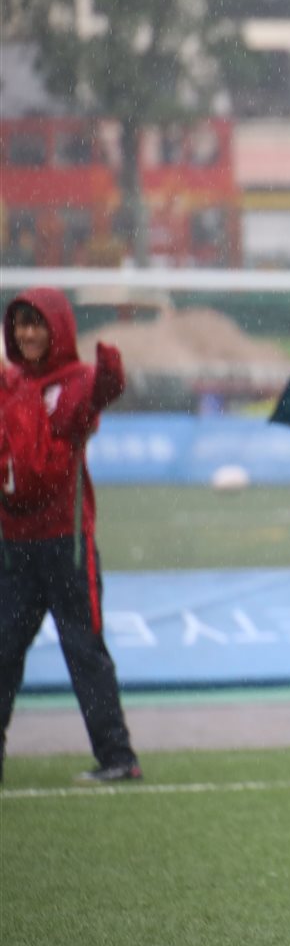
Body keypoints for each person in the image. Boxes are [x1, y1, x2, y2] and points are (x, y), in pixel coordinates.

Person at [0, 288, 137, 785]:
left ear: (57, 328)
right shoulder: (9, 383)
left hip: (67, 543)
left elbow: (105, 389)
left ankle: (117, 758)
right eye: (20, 324)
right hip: (14, 546)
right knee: (3, 652)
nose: (27, 334)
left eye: (37, 323)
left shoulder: (76, 381)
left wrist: (110, 366)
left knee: (83, 650)